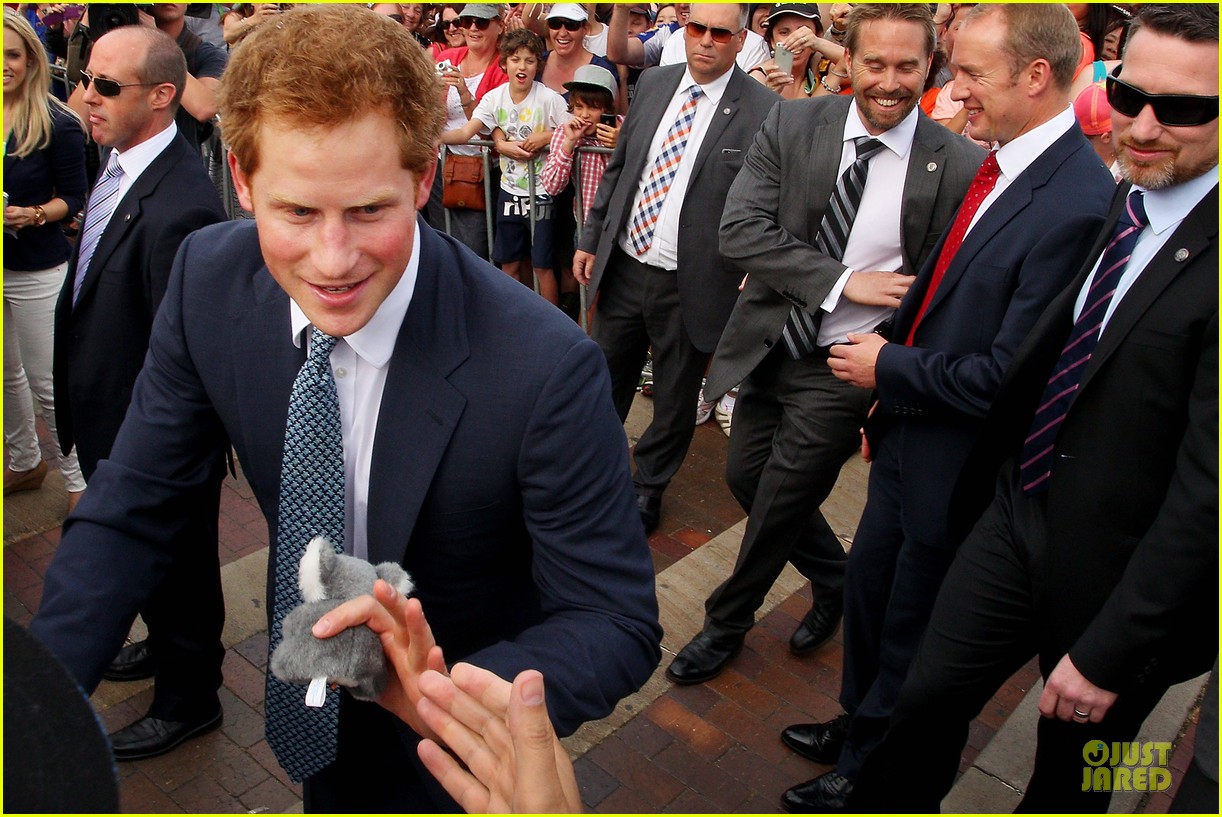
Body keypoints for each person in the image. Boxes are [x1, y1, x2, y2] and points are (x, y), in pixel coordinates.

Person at [30, 6, 661, 812]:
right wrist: (34, 711)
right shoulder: (207, 279)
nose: (332, 262)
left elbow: (612, 617)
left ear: (423, 178)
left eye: (369, 210)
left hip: (451, 748)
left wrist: (446, 694)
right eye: (296, 211)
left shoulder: (545, 367)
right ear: (243, 180)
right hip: (305, 687)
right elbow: (132, 505)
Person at [849, 4, 1218, 811]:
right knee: (923, 702)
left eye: (1183, 109)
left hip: (1125, 578)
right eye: (1130, 97)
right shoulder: (1128, 198)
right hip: (1019, 516)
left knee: (1073, 781)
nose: (1144, 127)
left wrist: (1114, 648)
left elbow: (1208, 494)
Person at [782, 4, 1117, 809]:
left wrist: (888, 367)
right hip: (908, 435)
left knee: (912, 624)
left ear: (1036, 76)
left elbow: (1009, 374)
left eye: (969, 73)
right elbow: (940, 291)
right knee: (871, 592)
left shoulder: (1075, 201)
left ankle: (872, 762)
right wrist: (888, 395)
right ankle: (856, 721)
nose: (953, 91)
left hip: (958, 464)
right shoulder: (999, 162)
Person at [666, 4, 984, 688]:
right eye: (875, 63)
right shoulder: (794, 123)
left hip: (848, 364)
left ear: (931, 65)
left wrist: (892, 364)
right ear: (849, 60)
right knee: (745, 477)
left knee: (780, 498)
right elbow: (741, 230)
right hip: (771, 342)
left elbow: (942, 288)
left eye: (907, 66)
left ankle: (725, 623)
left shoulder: (958, 163)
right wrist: (843, 281)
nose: (890, 82)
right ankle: (836, 578)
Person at [52, 23, 230, 763]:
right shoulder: (121, 159)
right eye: (85, 78)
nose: (85, 96)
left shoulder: (182, 203)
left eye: (104, 85)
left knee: (180, 564)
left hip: (151, 438)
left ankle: (190, 699)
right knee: (155, 566)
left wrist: (155, 450)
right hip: (110, 417)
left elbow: (182, 356)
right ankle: (161, 643)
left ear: (162, 97)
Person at [573, 3, 778, 536]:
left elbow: (767, 200)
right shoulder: (654, 83)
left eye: (720, 33)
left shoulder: (763, 110)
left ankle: (648, 486)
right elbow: (621, 169)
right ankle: (592, 470)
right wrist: (592, 237)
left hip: (694, 283)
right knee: (602, 377)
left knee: (674, 395)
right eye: (697, 28)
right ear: (684, 30)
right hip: (625, 267)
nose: (705, 40)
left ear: (740, 40)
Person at [3, 8, 88, 510]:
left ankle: (79, 482)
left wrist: (33, 214)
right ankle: (24, 462)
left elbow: (74, 199)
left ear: (32, 60)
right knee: (5, 375)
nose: (4, 65)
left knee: (48, 381)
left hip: (36, 267)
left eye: (12, 55)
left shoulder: (58, 121)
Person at [441, 28, 567, 303]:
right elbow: (466, 132)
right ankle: (512, 315)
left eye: (529, 60)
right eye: (515, 59)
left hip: (542, 194)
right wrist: (430, 136)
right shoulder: (494, 98)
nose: (522, 67)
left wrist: (546, 137)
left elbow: (572, 130)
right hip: (509, 192)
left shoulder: (550, 99)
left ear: (538, 65)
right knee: (508, 263)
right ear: (504, 63)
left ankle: (552, 322)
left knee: (542, 265)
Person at [429, 2, 509, 259]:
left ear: (499, 26)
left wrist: (464, 92)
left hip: (480, 169)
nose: (473, 28)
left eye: (482, 22)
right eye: (467, 21)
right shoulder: (447, 58)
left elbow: (489, 129)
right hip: (441, 165)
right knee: (439, 242)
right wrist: (433, 90)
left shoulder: (505, 67)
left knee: (473, 250)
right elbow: (429, 109)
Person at [539, 64, 622, 224]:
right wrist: (569, 143)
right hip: (587, 225)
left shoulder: (623, 127)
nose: (584, 115)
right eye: (579, 106)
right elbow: (551, 186)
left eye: (593, 107)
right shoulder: (566, 132)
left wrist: (622, 143)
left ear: (607, 109)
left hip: (621, 224)